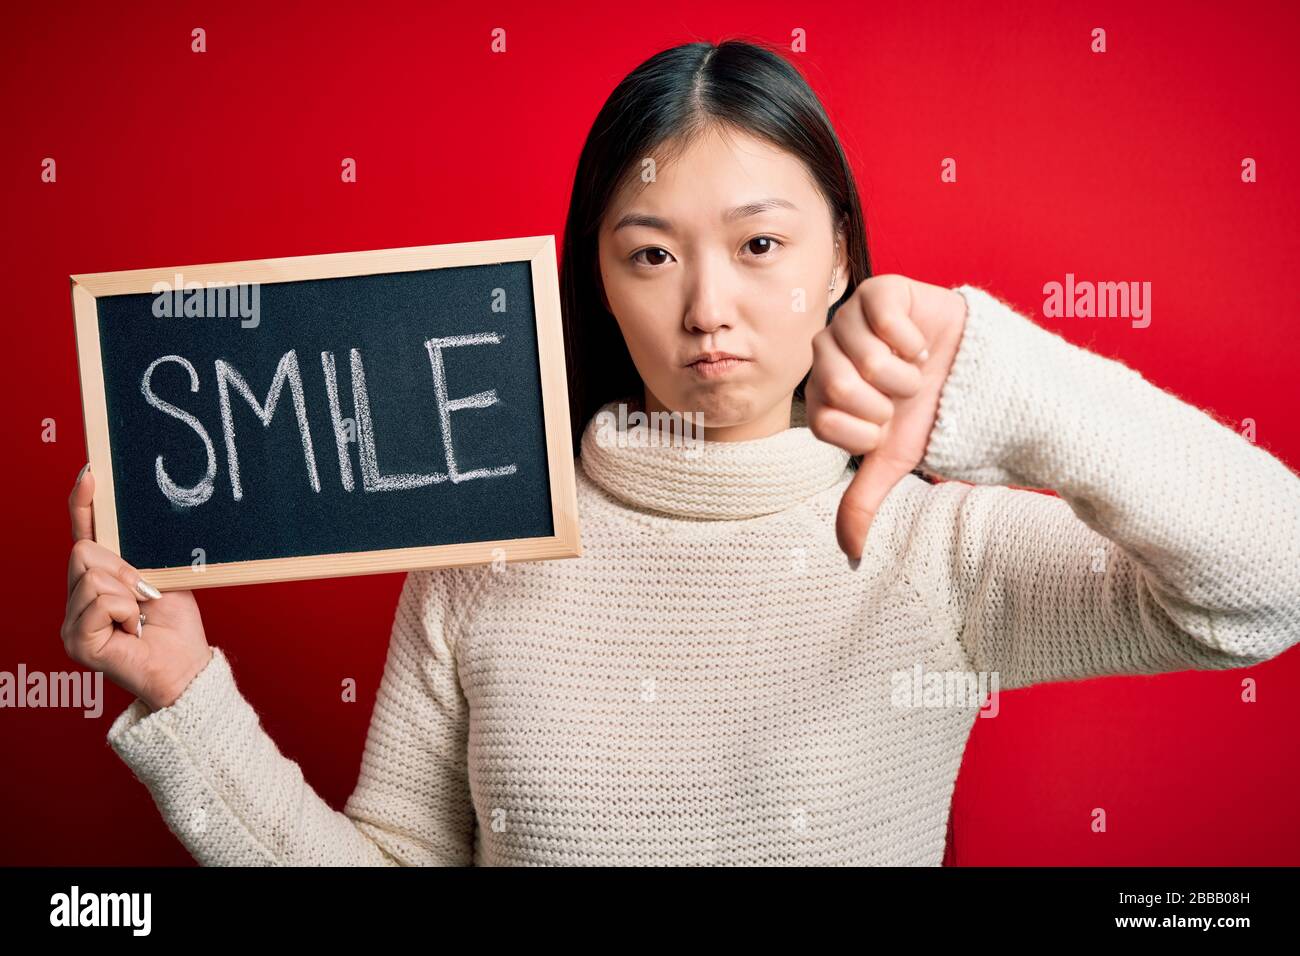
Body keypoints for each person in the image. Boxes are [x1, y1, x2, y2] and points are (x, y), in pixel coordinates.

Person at [61, 38, 1300, 866]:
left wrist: (1000, 369)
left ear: (842, 257)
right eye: (650, 252)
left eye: (760, 245)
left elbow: (1269, 581)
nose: (708, 304)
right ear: (595, 283)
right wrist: (188, 697)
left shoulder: (938, 545)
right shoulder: (488, 545)